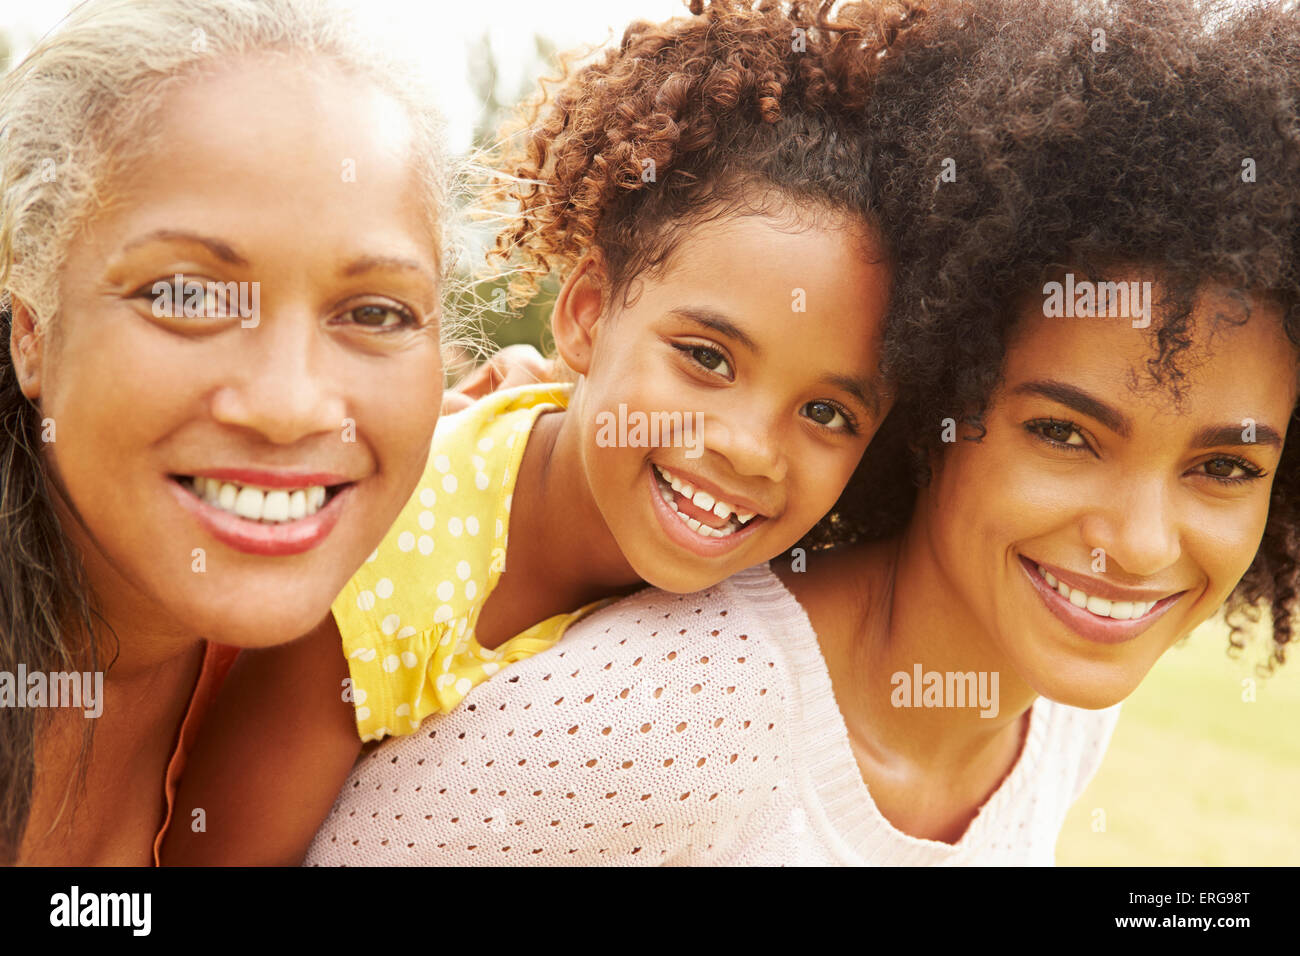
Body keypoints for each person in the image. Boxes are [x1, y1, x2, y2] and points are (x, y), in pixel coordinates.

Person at [304, 0, 1300, 865]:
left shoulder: (1065, 707)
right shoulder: (672, 707)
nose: (1137, 546)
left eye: (1222, 464)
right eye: (1064, 432)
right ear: (926, 411)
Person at [164, 0, 901, 865]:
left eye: (826, 413)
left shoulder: (790, 593)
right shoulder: (395, 566)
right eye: (705, 357)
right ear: (586, 315)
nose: (746, 445)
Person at [1, 0, 451, 865]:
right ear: (33, 329)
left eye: (374, 312)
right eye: (186, 295)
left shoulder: (403, 593)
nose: (291, 407)